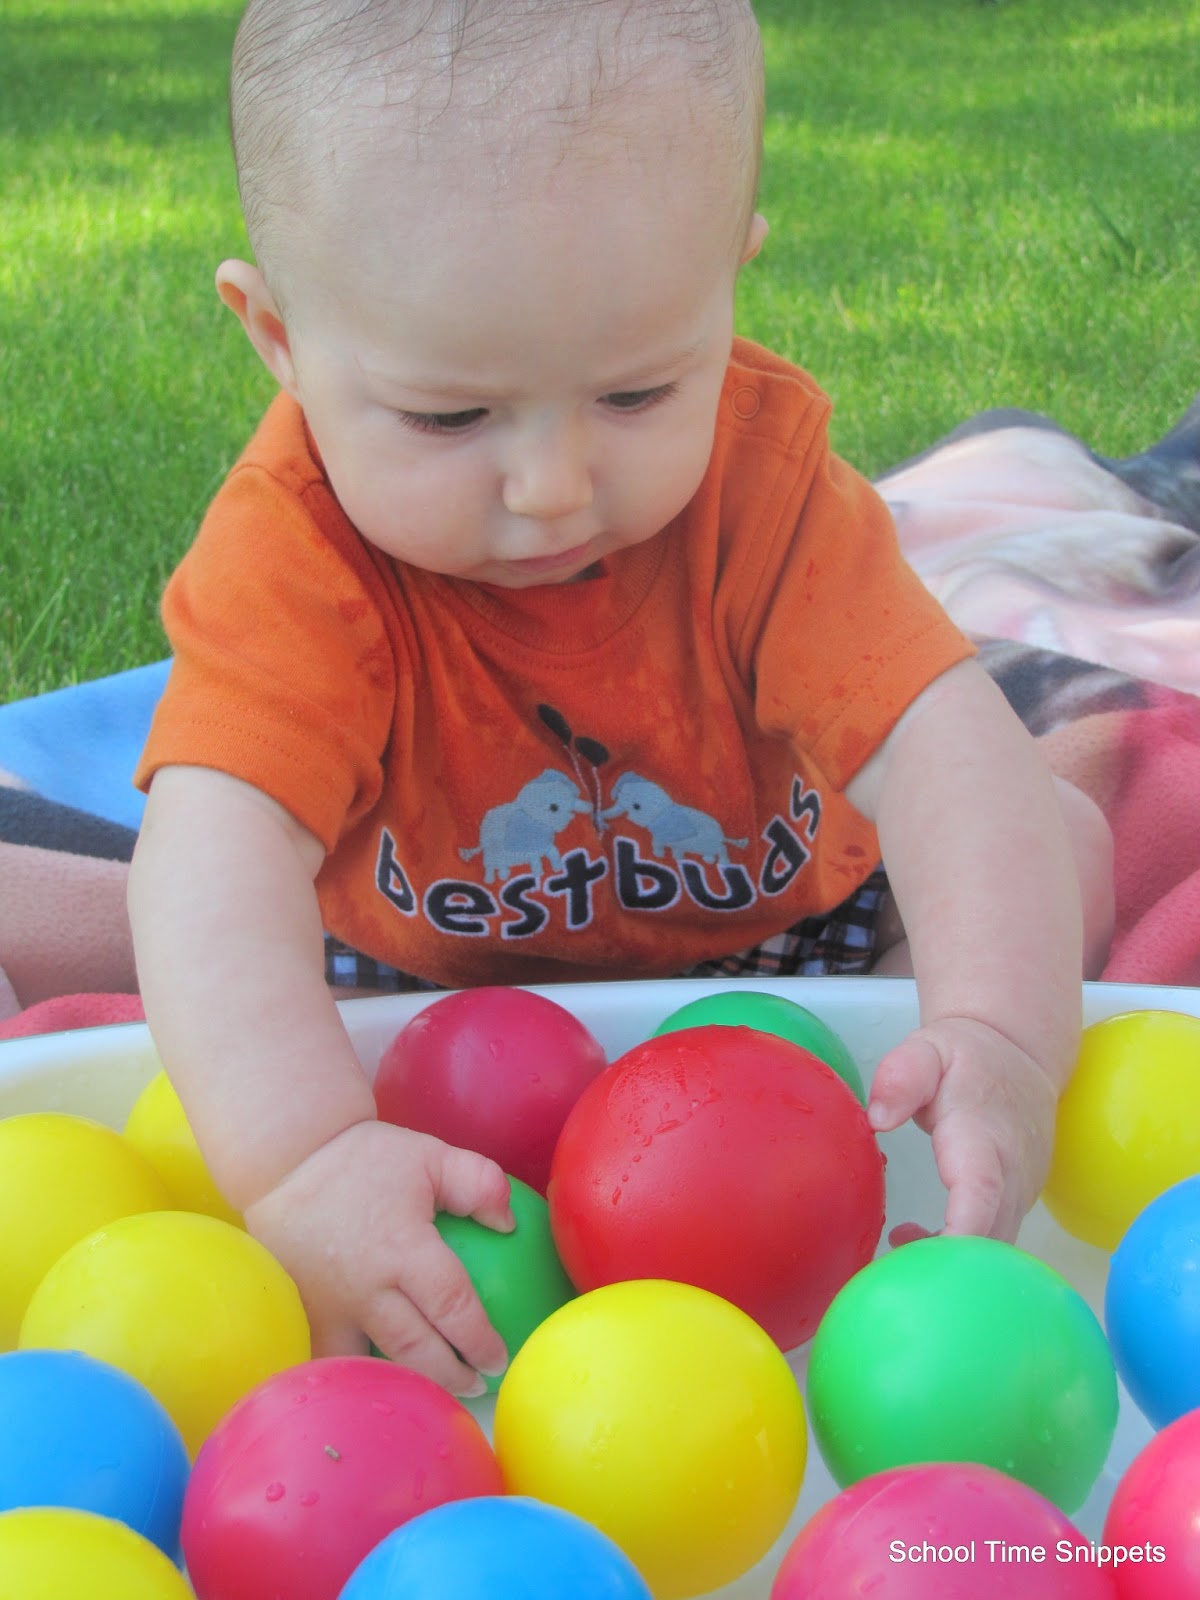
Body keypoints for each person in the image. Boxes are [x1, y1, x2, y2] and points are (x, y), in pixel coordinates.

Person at [123, 0, 1113, 1397]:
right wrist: (306, 1158)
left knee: (1049, 837)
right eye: (451, 418)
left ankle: (922, 1082)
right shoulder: (295, 557)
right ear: (278, 336)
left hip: (795, 954)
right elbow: (209, 860)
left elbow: (945, 750)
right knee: (200, 968)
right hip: (430, 1012)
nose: (551, 488)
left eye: (639, 392)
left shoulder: (767, 496)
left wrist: (1003, 1038)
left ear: (729, 282)